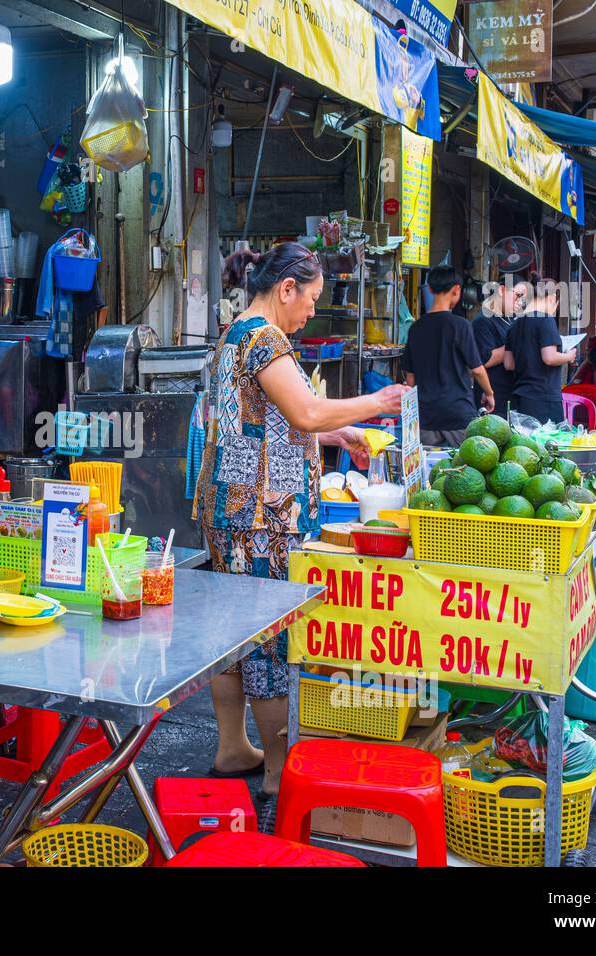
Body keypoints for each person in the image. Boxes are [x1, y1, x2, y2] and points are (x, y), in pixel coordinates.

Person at [193, 242, 408, 798]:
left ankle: (232, 747)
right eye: (310, 299)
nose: (313, 310)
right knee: (266, 639)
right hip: (264, 513)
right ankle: (275, 774)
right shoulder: (266, 339)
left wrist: (339, 434)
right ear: (285, 288)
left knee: (231, 634)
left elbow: (266, 417)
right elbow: (305, 411)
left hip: (229, 507)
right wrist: (376, 402)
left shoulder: (233, 334)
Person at [401, 265, 495, 446]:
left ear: (429, 289)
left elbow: (410, 377)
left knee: (427, 470)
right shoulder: (460, 326)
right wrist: (489, 394)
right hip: (458, 414)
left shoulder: (416, 328)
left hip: (426, 417)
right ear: (456, 290)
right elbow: (477, 370)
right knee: (462, 469)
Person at [504, 277, 578, 423]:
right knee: (548, 443)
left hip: (521, 398)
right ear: (551, 299)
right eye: (557, 304)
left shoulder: (515, 324)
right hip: (544, 398)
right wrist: (569, 356)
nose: (555, 309)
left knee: (524, 444)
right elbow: (549, 358)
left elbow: (509, 364)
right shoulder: (545, 319)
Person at [472, 276, 518, 416]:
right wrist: (516, 344)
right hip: (492, 396)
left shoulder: (510, 318)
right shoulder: (482, 321)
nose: (519, 302)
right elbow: (484, 360)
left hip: (510, 392)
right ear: (502, 290)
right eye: (517, 296)